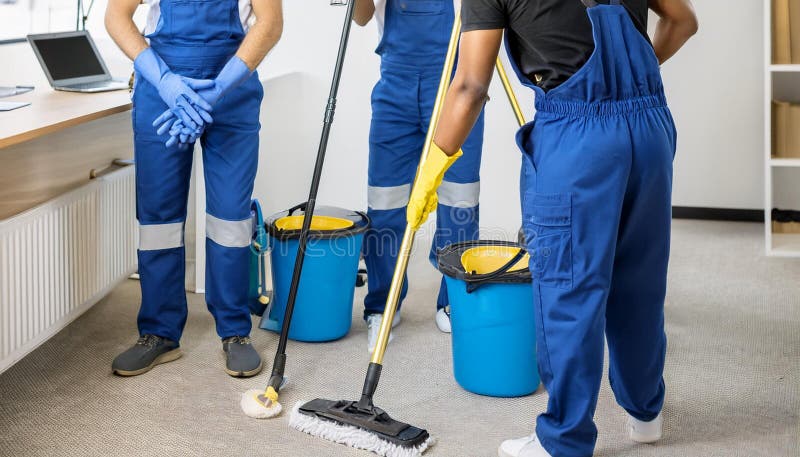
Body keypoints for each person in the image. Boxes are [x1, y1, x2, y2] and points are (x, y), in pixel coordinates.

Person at [405, 0, 697, 455]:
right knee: (639, 281)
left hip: (579, 140)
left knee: (569, 293)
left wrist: (432, 167)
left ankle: (564, 439)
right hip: (650, 128)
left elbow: (469, 86)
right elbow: (683, 21)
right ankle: (645, 412)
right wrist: (631, 81)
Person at [105, 0, 283, 377]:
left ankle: (235, 331)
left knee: (230, 217)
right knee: (158, 217)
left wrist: (218, 87)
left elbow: (269, 23)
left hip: (232, 89)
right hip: (160, 87)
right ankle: (159, 332)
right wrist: (165, 81)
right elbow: (116, 15)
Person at [352, 0, 485, 352]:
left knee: (460, 197)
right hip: (396, 84)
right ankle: (383, 303)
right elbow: (360, 16)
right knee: (386, 198)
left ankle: (454, 301)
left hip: (458, 83)